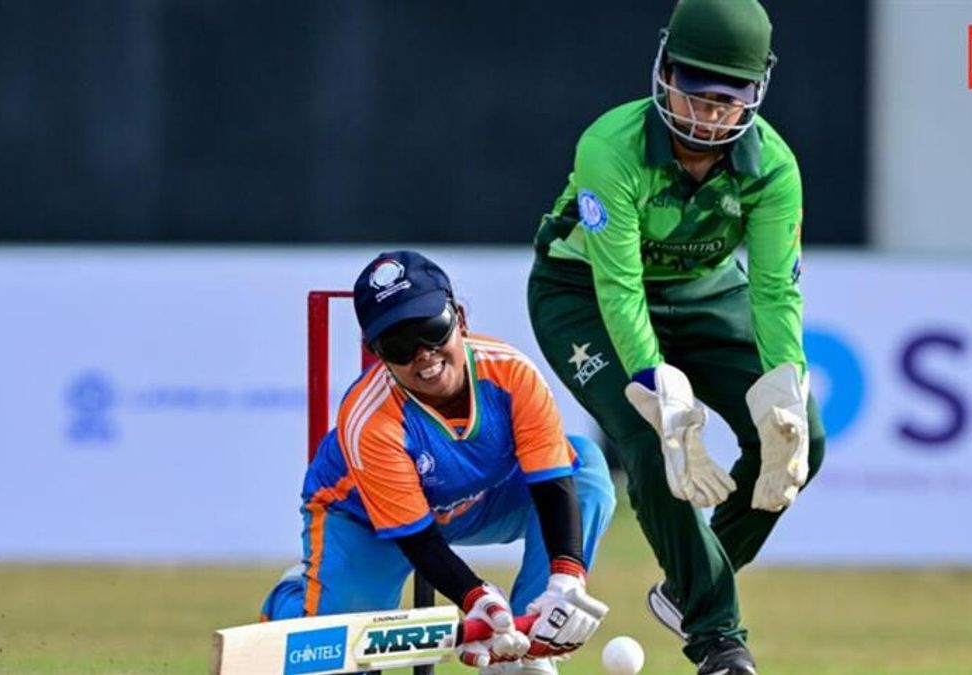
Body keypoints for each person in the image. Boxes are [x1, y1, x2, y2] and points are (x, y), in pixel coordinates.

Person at [526, 1, 826, 673]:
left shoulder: (772, 167)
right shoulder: (611, 146)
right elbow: (619, 285)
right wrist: (650, 380)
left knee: (799, 431)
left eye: (729, 97)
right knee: (651, 439)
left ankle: (686, 587)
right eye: (694, 87)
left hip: (703, 291)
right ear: (663, 70)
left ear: (756, 91)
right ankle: (719, 641)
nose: (707, 113)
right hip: (581, 293)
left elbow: (774, 290)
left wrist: (784, 378)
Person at [261, 250, 616, 674]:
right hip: (365, 521)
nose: (423, 355)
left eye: (433, 329)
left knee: (586, 470)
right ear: (377, 352)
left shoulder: (512, 374)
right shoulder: (370, 420)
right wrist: (478, 599)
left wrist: (567, 577)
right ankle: (296, 598)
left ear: (458, 319)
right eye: (398, 346)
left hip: (477, 500)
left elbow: (552, 484)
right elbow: (418, 539)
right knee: (337, 657)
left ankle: (522, 650)